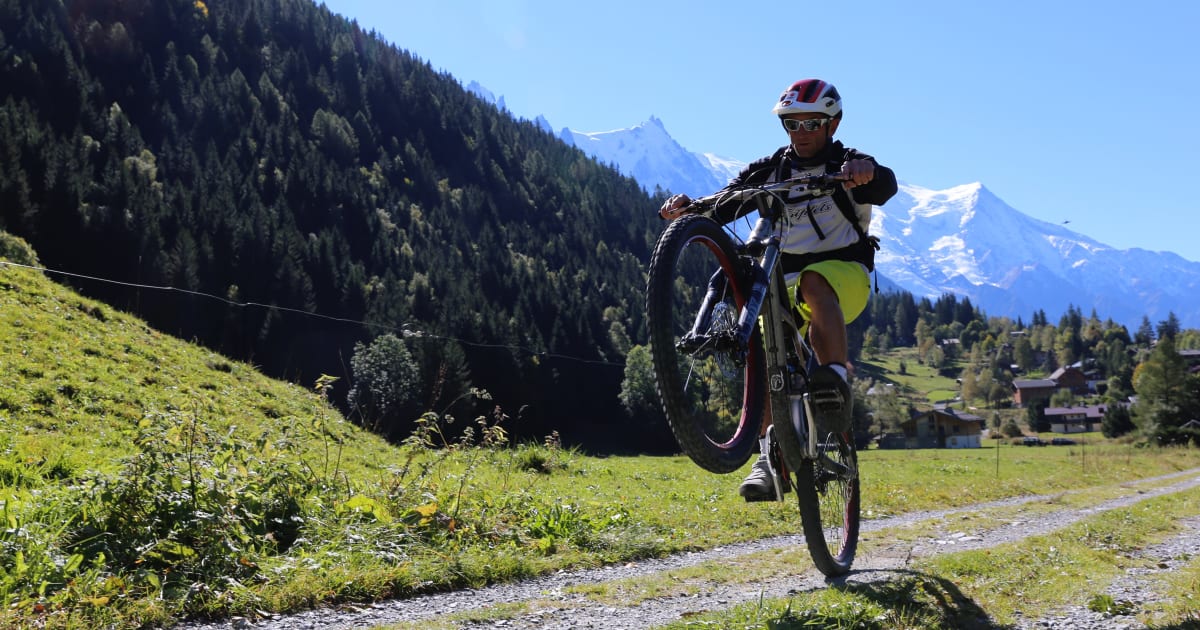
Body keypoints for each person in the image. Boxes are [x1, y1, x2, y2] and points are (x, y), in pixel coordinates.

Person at [659, 79, 897, 501]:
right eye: (792, 124)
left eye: (811, 123)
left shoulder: (849, 160)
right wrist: (691, 210)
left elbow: (885, 185)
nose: (801, 132)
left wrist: (866, 174)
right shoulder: (771, 169)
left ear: (832, 123)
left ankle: (835, 381)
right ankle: (770, 458)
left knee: (813, 281)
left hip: (845, 276)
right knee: (772, 365)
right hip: (782, 287)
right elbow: (728, 201)